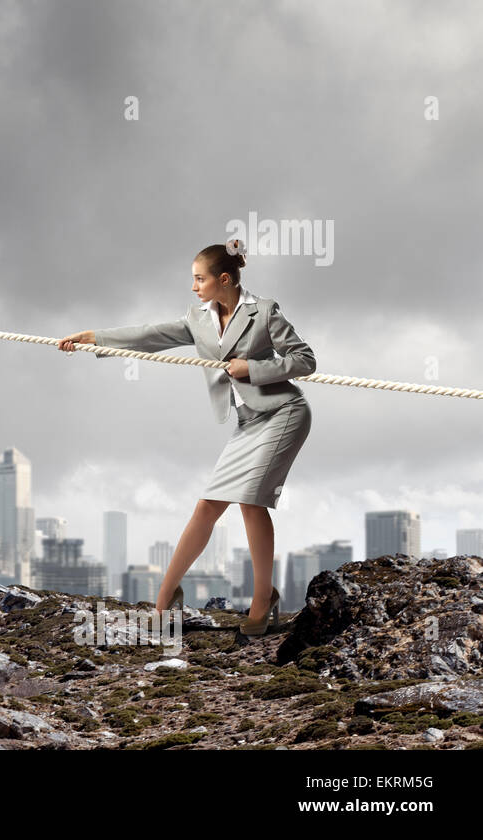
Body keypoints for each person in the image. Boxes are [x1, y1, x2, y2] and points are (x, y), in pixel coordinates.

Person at [57, 242, 315, 638]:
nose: (193, 286)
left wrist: (254, 367)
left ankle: (263, 600)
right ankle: (165, 597)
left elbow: (304, 360)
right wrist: (93, 337)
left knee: (250, 502)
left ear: (223, 279)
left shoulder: (264, 311)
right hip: (247, 421)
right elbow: (150, 334)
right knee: (206, 507)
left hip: (283, 413)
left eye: (200, 278)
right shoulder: (198, 318)